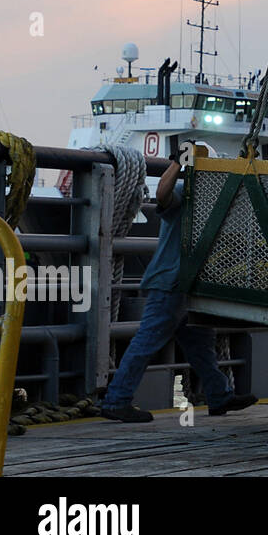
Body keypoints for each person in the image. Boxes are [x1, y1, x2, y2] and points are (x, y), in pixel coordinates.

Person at [100, 157, 258, 423]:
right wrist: (177, 163)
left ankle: (219, 396)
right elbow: (161, 193)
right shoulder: (184, 193)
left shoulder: (217, 202)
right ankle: (116, 400)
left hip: (190, 284)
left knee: (200, 345)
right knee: (146, 342)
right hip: (170, 282)